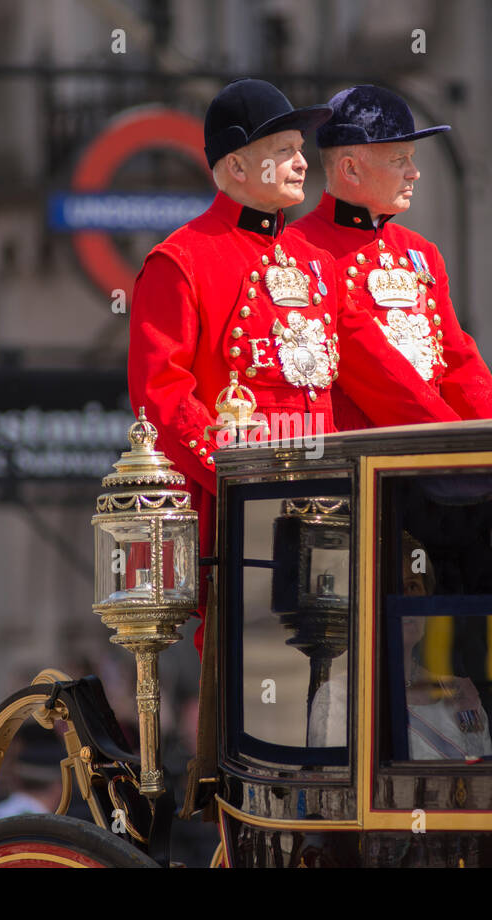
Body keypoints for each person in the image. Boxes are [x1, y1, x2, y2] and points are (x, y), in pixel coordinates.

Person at [129, 79, 338, 657]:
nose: (302, 163)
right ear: (238, 166)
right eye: (284, 151)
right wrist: (241, 475)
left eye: (301, 149)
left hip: (328, 498)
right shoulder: (180, 260)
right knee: (253, 672)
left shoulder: (315, 262)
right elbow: (160, 396)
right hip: (239, 510)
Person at [289, 85, 492, 431]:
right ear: (350, 169)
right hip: (359, 456)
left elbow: (457, 359)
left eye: (412, 157)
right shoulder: (298, 250)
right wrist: (450, 438)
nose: (414, 172)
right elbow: (370, 372)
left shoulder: (420, 252)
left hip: (429, 448)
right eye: (399, 160)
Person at [308, 532, 489, 758]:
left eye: (413, 586)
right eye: (392, 588)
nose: (405, 600)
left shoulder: (461, 695)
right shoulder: (340, 697)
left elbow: (482, 774)